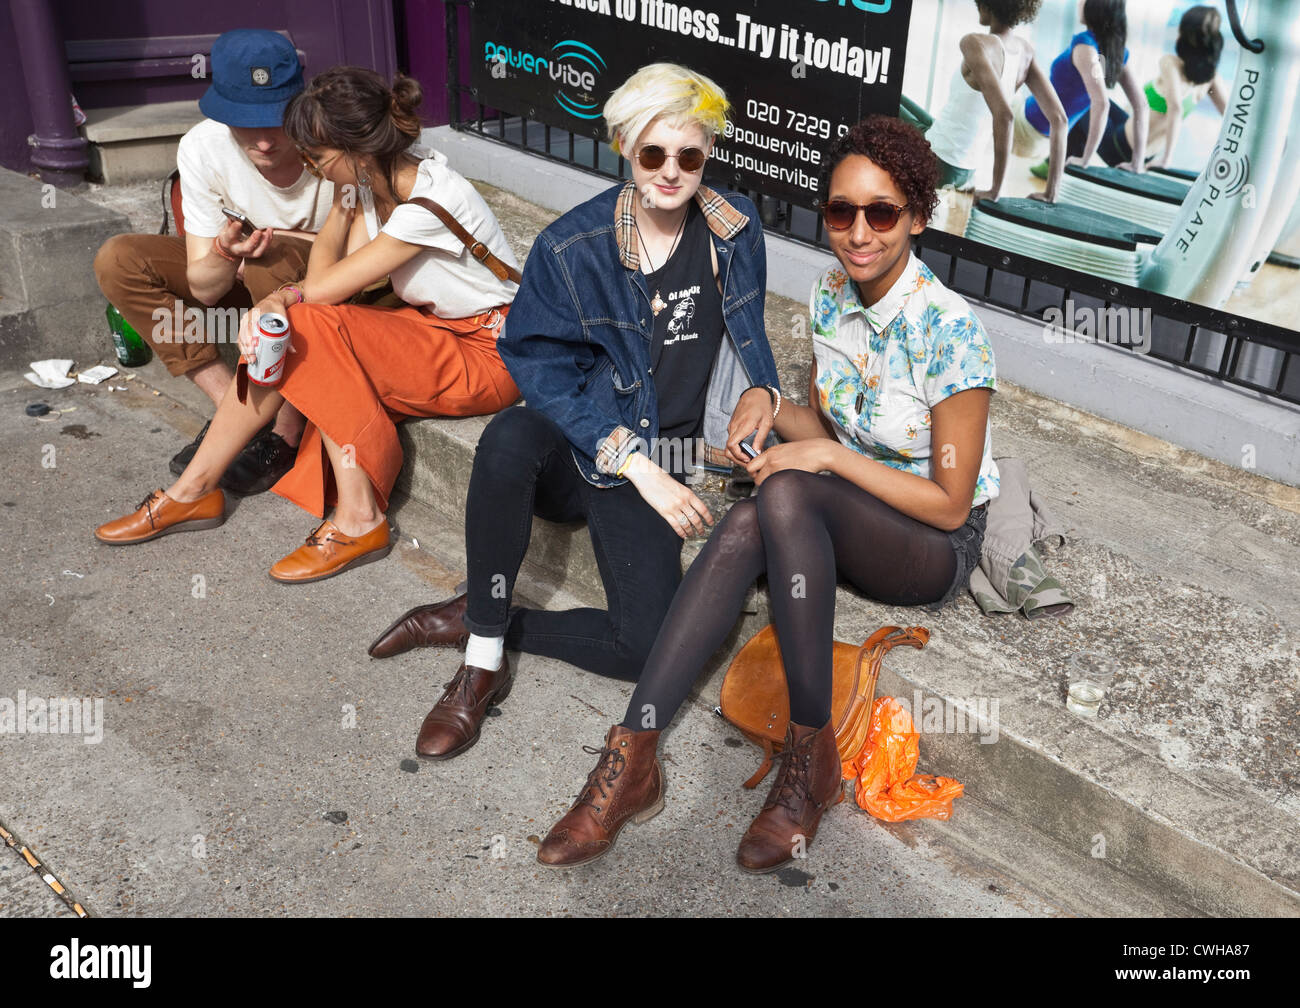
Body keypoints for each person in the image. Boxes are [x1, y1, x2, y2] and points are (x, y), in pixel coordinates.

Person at [534, 115, 1001, 873]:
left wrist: (817, 457)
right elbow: (833, 428)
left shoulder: (949, 330)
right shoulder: (830, 296)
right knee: (760, 508)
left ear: (916, 217)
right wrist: (767, 402)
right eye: (841, 211)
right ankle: (634, 755)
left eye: (881, 213)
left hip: (928, 542)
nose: (858, 232)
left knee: (783, 492)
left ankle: (808, 764)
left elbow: (949, 502)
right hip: (850, 511)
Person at [364, 64, 781, 764]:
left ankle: (483, 619)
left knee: (642, 646)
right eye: (654, 154)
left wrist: (761, 391)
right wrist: (636, 463)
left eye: (690, 155)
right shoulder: (571, 247)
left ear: (708, 153)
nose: (672, 172)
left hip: (667, 452)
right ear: (623, 144)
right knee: (509, 437)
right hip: (593, 442)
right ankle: (482, 662)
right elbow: (534, 363)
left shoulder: (735, 230)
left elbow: (750, 331)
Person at [94, 67, 521, 584]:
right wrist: (343, 211)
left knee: (303, 326)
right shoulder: (376, 181)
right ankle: (194, 490)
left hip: (486, 351)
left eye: (319, 159)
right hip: (434, 333)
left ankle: (358, 517)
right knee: (306, 325)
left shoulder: (429, 199)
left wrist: (273, 300)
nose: (315, 171)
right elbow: (326, 281)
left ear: (355, 149)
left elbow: (327, 289)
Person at [94, 29, 331, 494]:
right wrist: (225, 251)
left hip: (321, 284)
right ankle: (235, 411)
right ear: (221, 110)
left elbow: (369, 249)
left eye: (277, 120)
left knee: (271, 261)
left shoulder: (332, 135)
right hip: (244, 282)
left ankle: (285, 430)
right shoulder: (203, 146)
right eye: (246, 122)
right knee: (118, 258)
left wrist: (278, 239)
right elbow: (205, 289)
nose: (264, 142)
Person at [924, 0, 1067, 211]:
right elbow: (1060, 120)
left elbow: (1005, 116)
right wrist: (1051, 192)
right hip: (965, 170)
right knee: (907, 106)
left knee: (891, 104)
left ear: (988, 5)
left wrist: (995, 190)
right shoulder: (1025, 52)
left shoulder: (974, 43)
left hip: (938, 161)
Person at [1083, 5, 1228, 170]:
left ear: (1185, 36)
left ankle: (1058, 163)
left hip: (1122, 147)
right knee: (1100, 102)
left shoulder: (1171, 63)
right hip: (1142, 149)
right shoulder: (1211, 78)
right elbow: (1229, 114)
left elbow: (1176, 108)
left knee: (1083, 100)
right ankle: (1065, 159)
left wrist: (1167, 160)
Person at [1017, 0, 1149, 176]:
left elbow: (1101, 103)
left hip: (1027, 126)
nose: (1079, 3)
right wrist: (1137, 163)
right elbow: (1141, 105)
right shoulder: (1116, 53)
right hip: (1045, 135)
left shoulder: (1084, 45)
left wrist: (1085, 160)